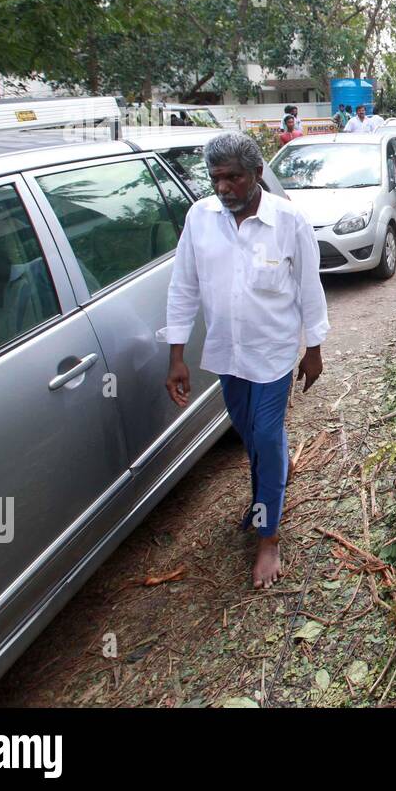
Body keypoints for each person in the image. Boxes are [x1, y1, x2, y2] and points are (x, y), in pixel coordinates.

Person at [163, 134, 329, 589]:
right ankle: (272, 482)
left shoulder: (289, 220)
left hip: (273, 354)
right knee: (248, 431)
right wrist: (177, 355)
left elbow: (309, 289)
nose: (224, 187)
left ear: (257, 174)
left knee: (265, 434)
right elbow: (183, 288)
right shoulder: (200, 218)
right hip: (227, 355)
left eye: (234, 177)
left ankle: (268, 534)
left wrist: (313, 349)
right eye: (216, 178)